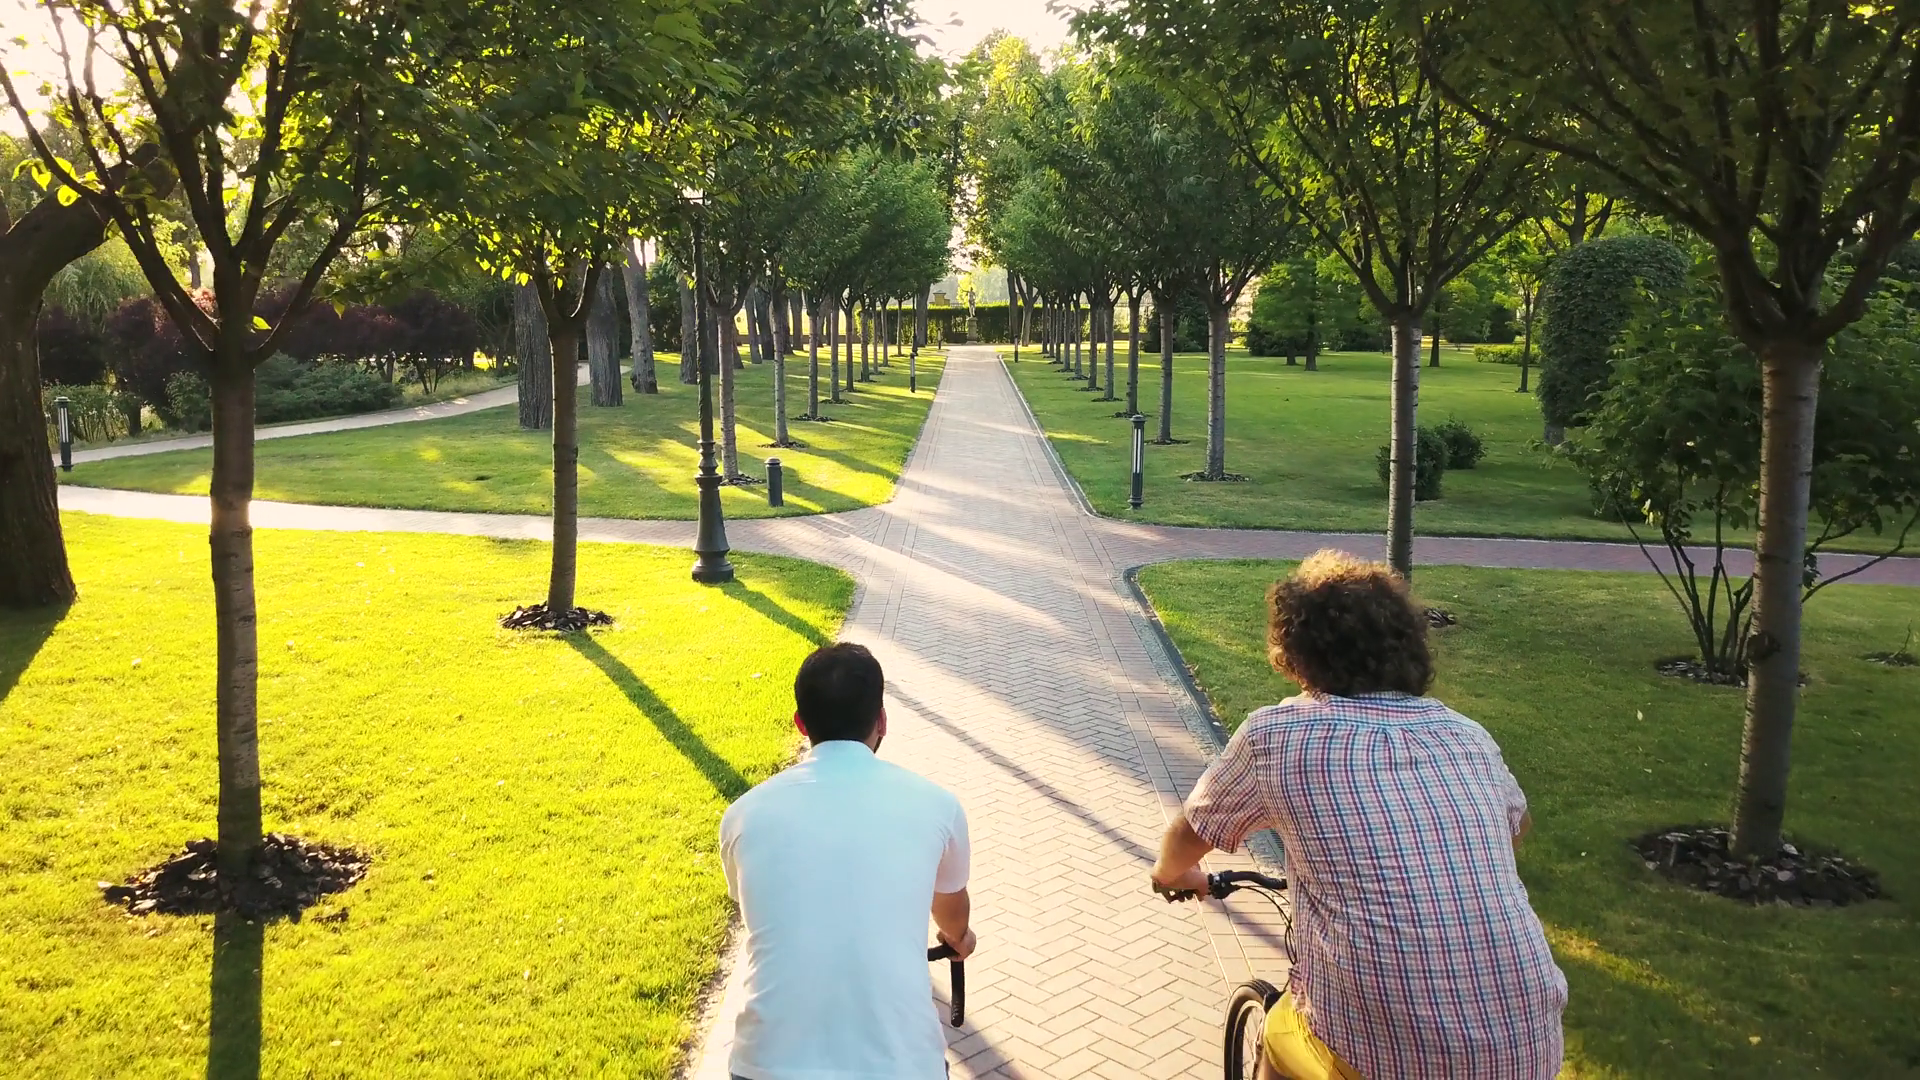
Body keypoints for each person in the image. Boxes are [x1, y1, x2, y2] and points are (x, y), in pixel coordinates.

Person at [1151, 550, 1566, 1080]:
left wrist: (1172, 875)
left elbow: (1191, 833)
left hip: (1388, 1048)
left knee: (1280, 1030)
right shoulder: (1467, 736)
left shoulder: (1277, 736)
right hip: (1529, 1041)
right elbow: (1516, 828)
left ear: (1298, 653)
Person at [720, 642, 975, 1080]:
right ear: (882, 721)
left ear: (801, 723)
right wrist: (959, 938)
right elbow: (951, 912)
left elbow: (755, 908)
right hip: (902, 1064)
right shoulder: (938, 806)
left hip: (766, 1064)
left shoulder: (743, 814)